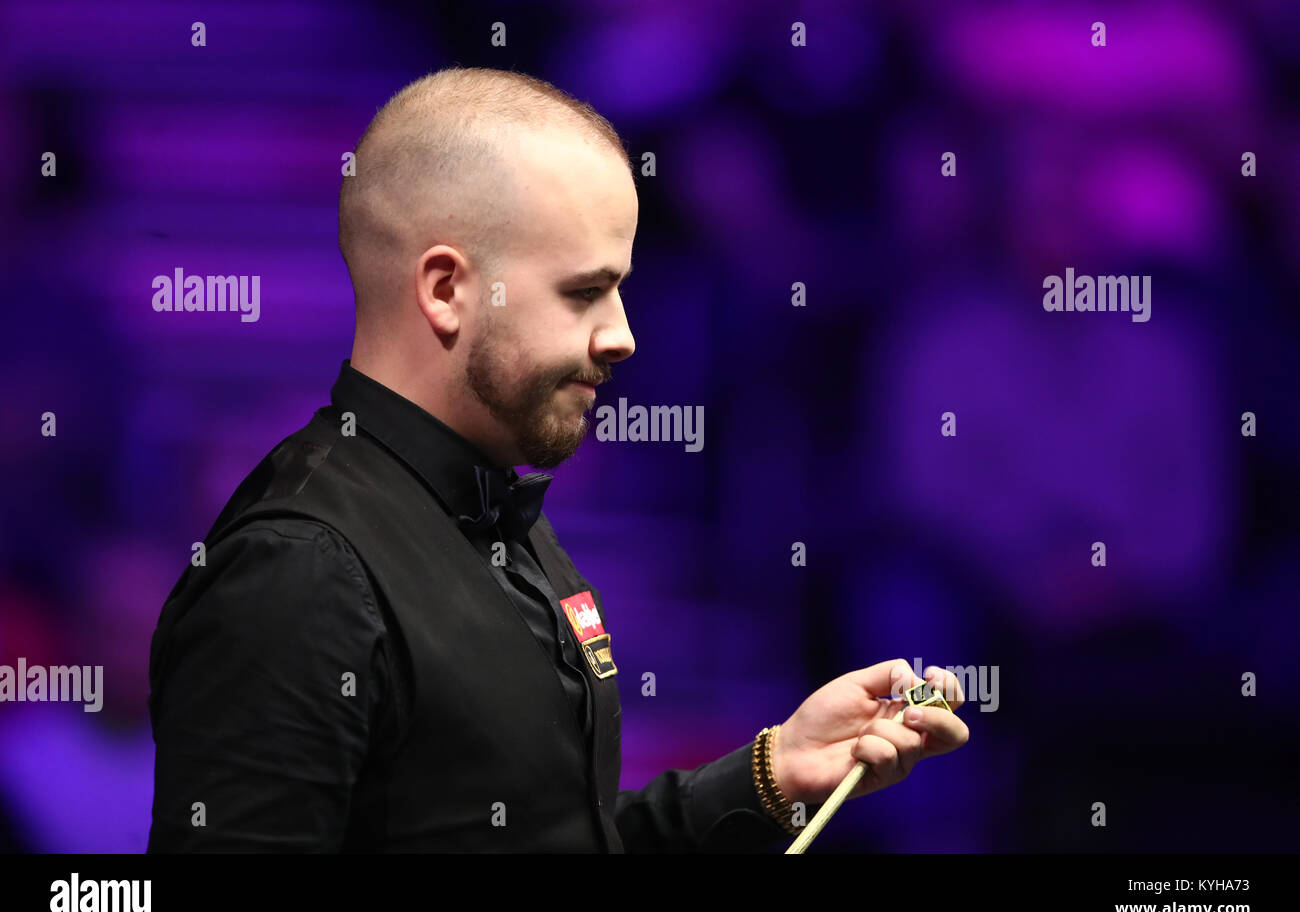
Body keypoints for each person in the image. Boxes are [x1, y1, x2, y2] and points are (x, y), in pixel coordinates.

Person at [146, 66, 970, 853]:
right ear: (445, 290)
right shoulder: (300, 570)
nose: (621, 335)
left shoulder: (493, 513)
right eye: (583, 292)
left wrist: (770, 772)